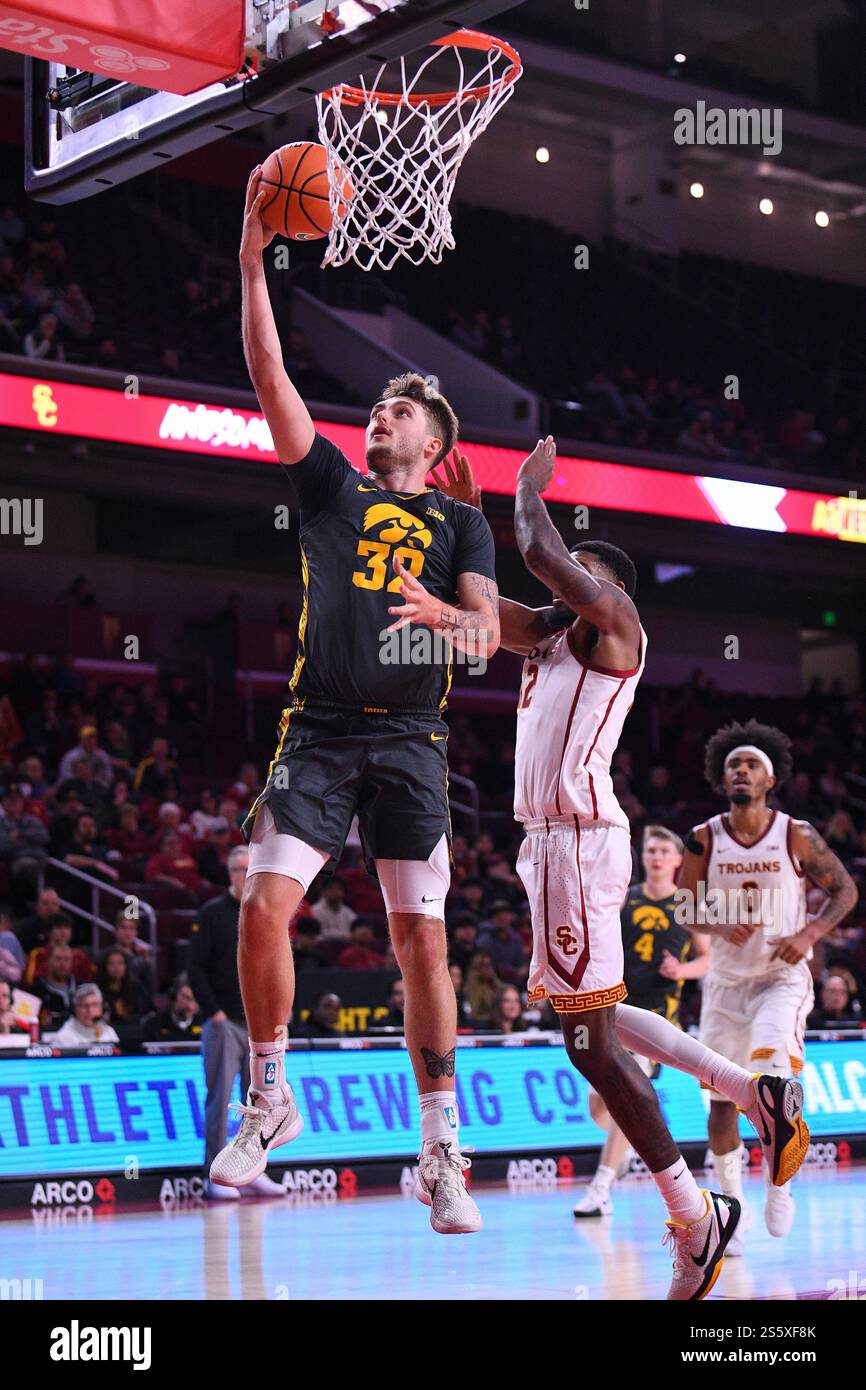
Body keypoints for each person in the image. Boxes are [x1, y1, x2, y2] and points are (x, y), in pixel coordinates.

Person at [209, 168, 500, 1240]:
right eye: (376, 407)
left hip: (412, 740)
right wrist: (251, 261)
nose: (378, 415)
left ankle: (437, 1150)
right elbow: (267, 370)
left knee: (420, 938)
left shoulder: (461, 524)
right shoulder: (329, 487)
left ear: (435, 444)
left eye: (398, 410)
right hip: (320, 729)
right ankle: (270, 1094)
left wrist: (448, 619)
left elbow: (480, 632)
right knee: (258, 903)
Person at [463, 436, 812, 1299]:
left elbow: (544, 555)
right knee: (600, 1023)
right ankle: (754, 1092)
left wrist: (525, 492)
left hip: (577, 841)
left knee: (589, 1044)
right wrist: (466, 523)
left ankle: (696, 1216)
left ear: (603, 586)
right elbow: (491, 607)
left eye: (574, 581)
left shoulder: (617, 626)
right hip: (549, 847)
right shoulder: (548, 642)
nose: (557, 594)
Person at [681, 720, 857, 1254]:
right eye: (734, 764)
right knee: (719, 1103)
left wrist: (809, 932)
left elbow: (844, 890)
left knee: (775, 1081)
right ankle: (730, 1209)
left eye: (751, 764)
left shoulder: (796, 833)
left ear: (771, 777)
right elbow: (684, 904)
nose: (741, 770)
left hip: (781, 979)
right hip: (726, 985)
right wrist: (714, 924)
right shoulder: (704, 836)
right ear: (722, 777)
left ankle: (780, 1185)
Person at [574, 825, 709, 1219]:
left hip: (659, 1017)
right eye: (651, 850)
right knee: (600, 1105)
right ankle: (631, 1143)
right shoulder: (626, 900)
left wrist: (682, 969)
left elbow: (707, 959)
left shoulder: (687, 904)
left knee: (622, 1096)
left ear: (677, 859)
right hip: (615, 1011)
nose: (656, 857)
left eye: (664, 850)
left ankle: (600, 1187)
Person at [187, 845, 285, 1201]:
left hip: (257, 1026)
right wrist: (212, 1012)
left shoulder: (264, 911)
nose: (245, 875)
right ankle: (215, 1174)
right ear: (228, 874)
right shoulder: (212, 914)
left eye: (250, 868)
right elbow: (194, 968)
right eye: (238, 869)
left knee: (263, 1105)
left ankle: (254, 1172)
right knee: (220, 1100)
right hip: (224, 1022)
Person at [95, 948, 152, 1041]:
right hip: (108, 1036)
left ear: (126, 966)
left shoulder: (137, 988)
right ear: (104, 967)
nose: (116, 967)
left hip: (137, 1034)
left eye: (120, 963)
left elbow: (149, 1012)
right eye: (111, 964)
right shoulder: (97, 991)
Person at [51, 984, 119, 1046]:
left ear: (102, 1008)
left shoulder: (109, 1032)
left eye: (94, 1004)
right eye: (84, 1005)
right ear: (75, 1009)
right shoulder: (64, 1037)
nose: (89, 1010)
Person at [33, 943, 80, 1033]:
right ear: (49, 961)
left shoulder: (80, 988)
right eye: (58, 959)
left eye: (66, 960)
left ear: (71, 963)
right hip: (47, 1038)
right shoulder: (37, 990)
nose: (62, 964)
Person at [143, 976, 202, 1043]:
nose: (190, 1005)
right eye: (186, 998)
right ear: (173, 996)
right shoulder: (154, 1025)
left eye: (194, 999)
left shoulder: (205, 1026)